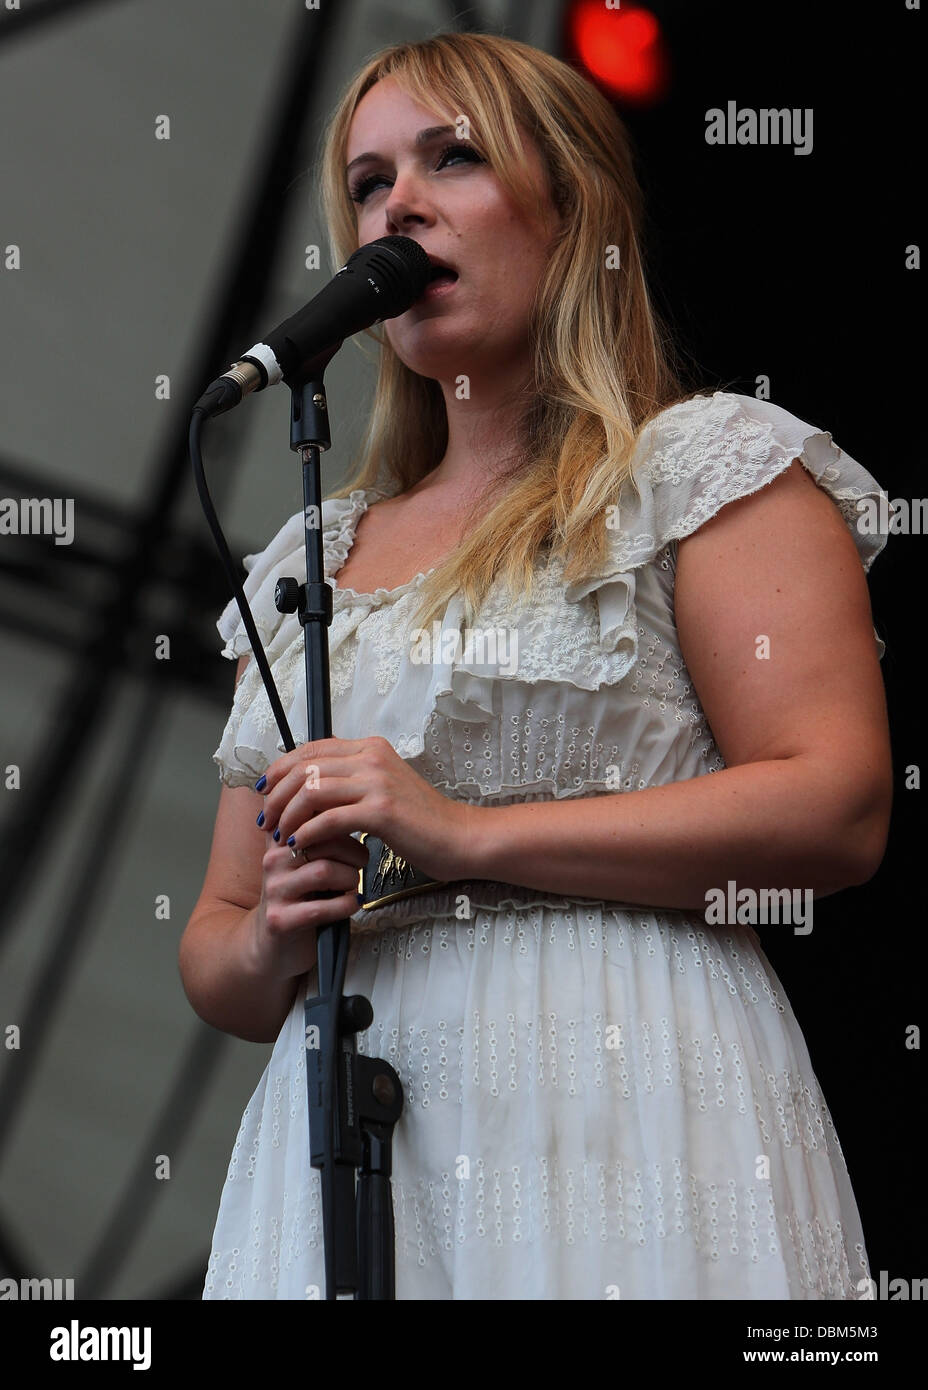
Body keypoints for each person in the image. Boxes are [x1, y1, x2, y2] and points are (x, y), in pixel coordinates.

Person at [180, 32, 892, 1300]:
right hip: (345, 1117)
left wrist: (461, 832)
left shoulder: (704, 467)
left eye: (452, 159)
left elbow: (832, 804)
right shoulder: (311, 553)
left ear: (572, 212)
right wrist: (276, 931)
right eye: (366, 182)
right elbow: (221, 950)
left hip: (624, 1077)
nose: (396, 203)